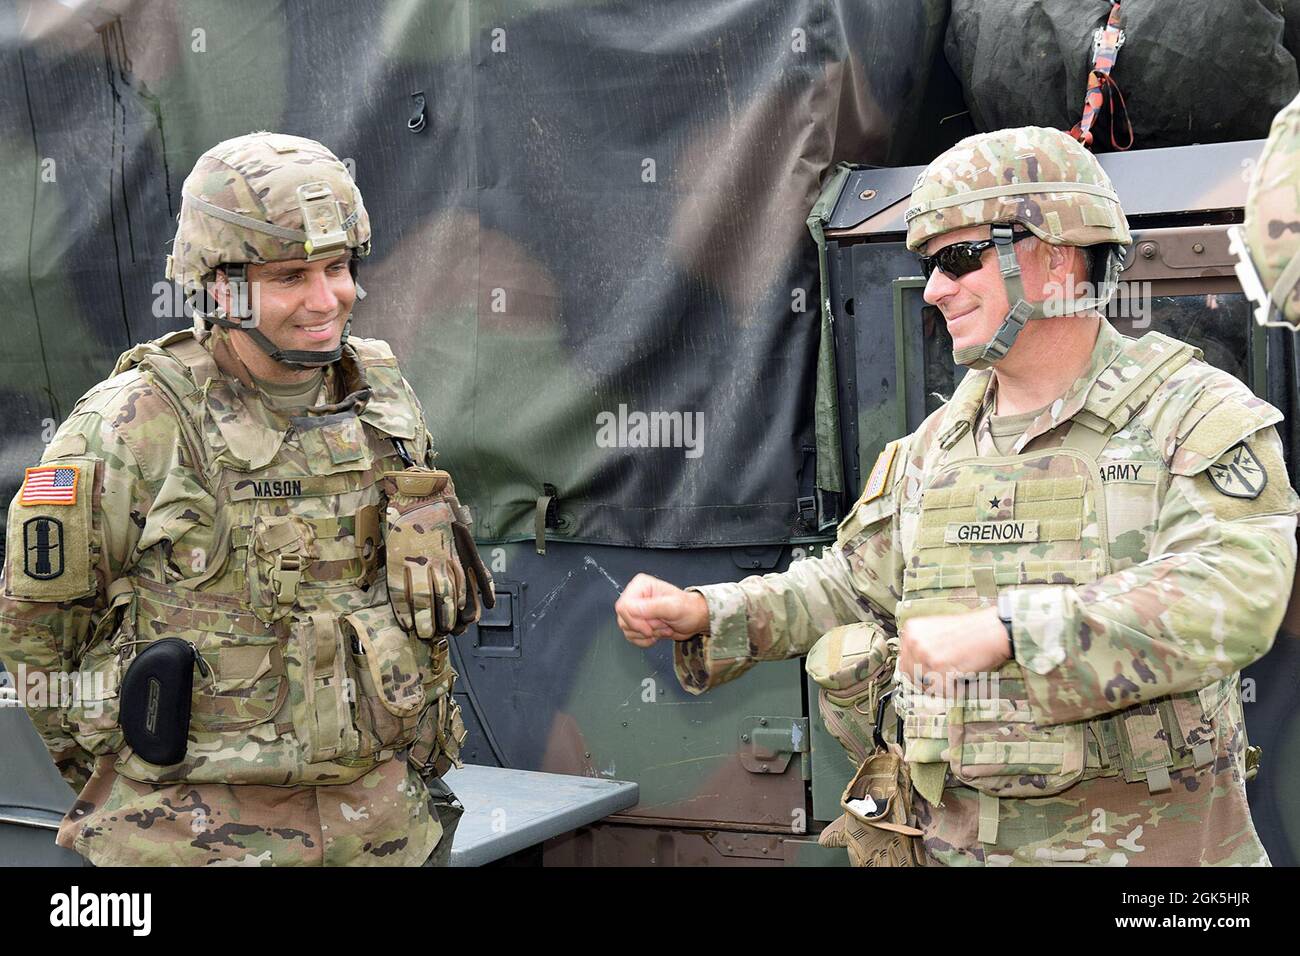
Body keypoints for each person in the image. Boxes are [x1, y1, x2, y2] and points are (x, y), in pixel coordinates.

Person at [616, 126, 1299, 866]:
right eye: (930, 266)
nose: (936, 288)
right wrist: (711, 611)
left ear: (1059, 255)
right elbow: (854, 584)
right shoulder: (937, 444)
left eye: (960, 257)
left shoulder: (1188, 414)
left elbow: (1235, 593)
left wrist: (1014, 630)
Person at [0, 131, 493, 866]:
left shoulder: (382, 401)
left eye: (338, 268)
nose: (327, 299)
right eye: (292, 275)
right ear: (222, 286)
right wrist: (134, 783)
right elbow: (36, 642)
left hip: (386, 834)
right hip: (193, 846)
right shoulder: (132, 427)